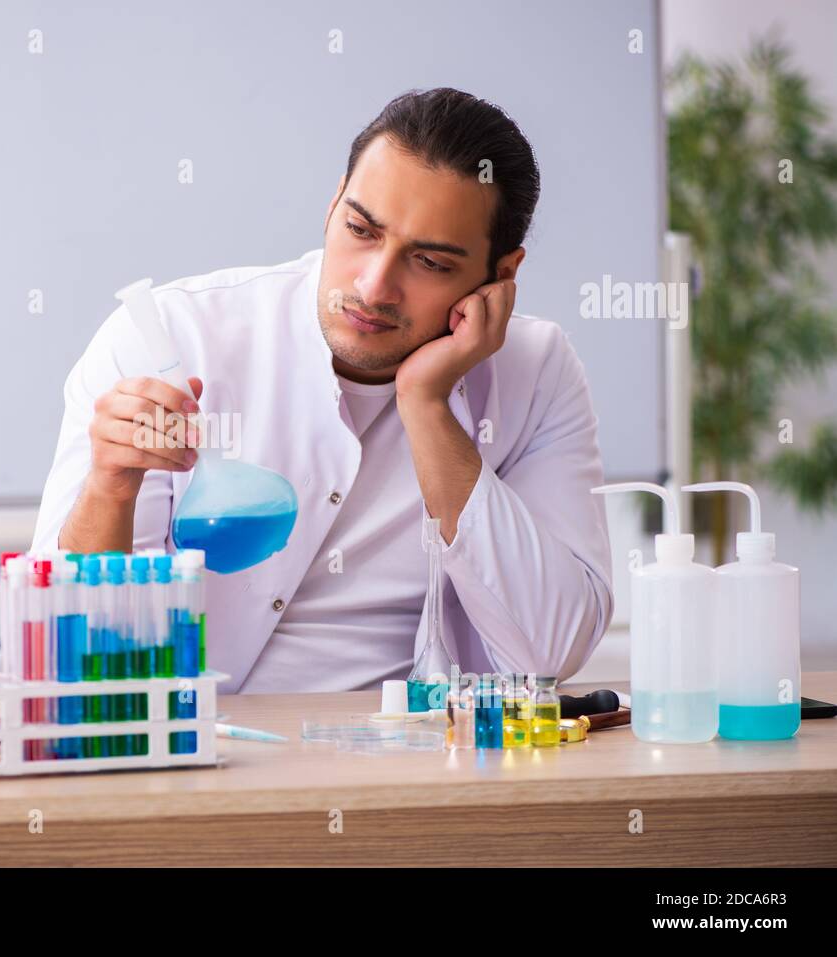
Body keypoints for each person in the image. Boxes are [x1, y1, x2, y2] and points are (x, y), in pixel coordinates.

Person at [31, 87, 614, 694]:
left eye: (431, 263)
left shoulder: (536, 372)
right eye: (361, 229)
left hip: (404, 768)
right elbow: (63, 657)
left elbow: (549, 650)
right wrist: (109, 488)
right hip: (191, 758)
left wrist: (426, 406)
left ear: (502, 275)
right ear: (334, 202)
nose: (375, 285)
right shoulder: (170, 340)